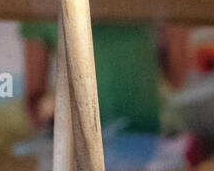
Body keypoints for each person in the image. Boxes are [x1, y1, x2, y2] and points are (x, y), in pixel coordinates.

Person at [21, 21, 187, 134]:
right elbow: (35, 102)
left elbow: (176, 79)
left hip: (149, 139)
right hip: (82, 145)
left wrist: (176, 24)